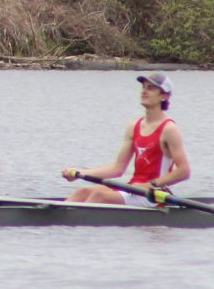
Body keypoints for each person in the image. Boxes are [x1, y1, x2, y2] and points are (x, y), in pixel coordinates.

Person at [62, 71, 191, 205]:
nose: (144, 91)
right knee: (81, 192)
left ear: (164, 96)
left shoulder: (169, 129)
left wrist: (150, 184)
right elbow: (118, 168)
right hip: (133, 188)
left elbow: (184, 171)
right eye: (144, 87)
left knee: (99, 197)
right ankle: (61, 222)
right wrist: (80, 173)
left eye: (151, 88)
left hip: (153, 195)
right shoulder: (133, 126)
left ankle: (79, 220)